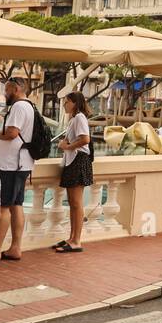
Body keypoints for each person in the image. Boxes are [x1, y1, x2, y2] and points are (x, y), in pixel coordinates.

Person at [0, 78, 35, 264]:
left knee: (3, 207)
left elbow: (12, 134)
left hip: (11, 165)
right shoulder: (30, 106)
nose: (5, 93)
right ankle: (15, 247)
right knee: (16, 205)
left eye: (8, 89)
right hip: (22, 164)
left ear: (17, 88)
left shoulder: (19, 107)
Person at [54, 92, 93, 253]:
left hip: (78, 161)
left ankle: (76, 240)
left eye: (67, 102)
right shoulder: (74, 119)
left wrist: (66, 146)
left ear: (75, 103)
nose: (64, 105)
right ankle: (72, 238)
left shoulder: (79, 118)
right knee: (72, 203)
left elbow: (85, 139)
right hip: (74, 161)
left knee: (76, 203)